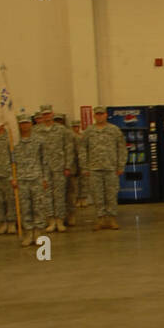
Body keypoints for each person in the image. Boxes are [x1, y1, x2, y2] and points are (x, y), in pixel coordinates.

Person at [81, 105, 126, 230]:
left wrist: (120, 165)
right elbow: (83, 149)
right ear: (94, 116)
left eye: (102, 114)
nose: (100, 116)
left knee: (111, 194)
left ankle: (111, 219)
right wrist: (84, 167)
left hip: (111, 167)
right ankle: (100, 219)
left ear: (106, 115)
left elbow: (121, 148)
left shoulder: (114, 130)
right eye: (97, 114)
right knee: (97, 195)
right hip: (94, 168)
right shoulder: (88, 131)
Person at [13, 112, 49, 246]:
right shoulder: (14, 142)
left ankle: (38, 232)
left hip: (36, 177)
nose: (25, 125)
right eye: (22, 123)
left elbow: (44, 160)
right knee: (25, 207)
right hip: (21, 179)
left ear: (31, 124)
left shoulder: (39, 140)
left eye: (27, 122)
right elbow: (11, 162)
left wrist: (45, 178)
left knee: (38, 206)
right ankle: (28, 232)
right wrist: (13, 178)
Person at [36, 104, 73, 233]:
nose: (46, 116)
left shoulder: (62, 130)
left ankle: (59, 220)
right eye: (44, 114)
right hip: (44, 169)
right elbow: (35, 152)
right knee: (46, 195)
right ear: (41, 116)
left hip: (59, 167)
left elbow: (68, 148)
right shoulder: (36, 131)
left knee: (59, 195)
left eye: (48, 114)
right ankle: (50, 220)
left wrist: (68, 166)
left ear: (52, 114)